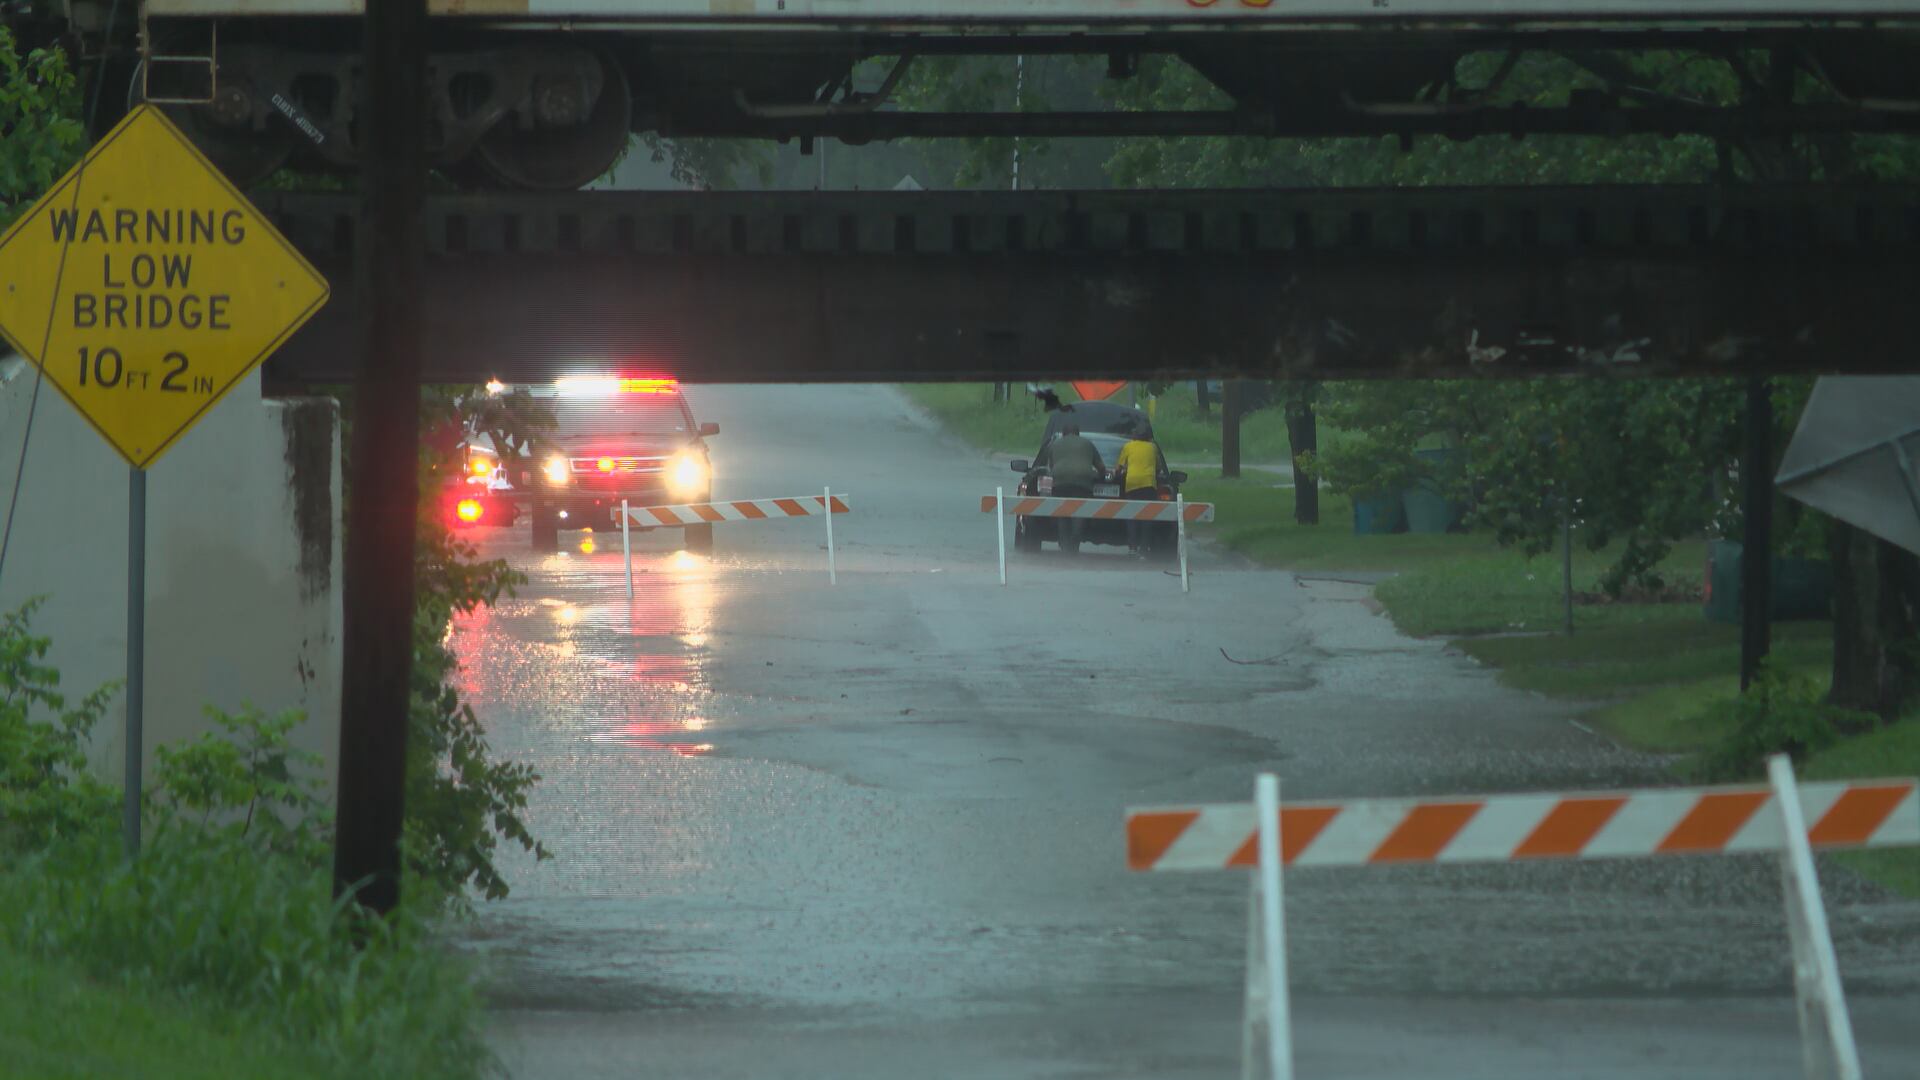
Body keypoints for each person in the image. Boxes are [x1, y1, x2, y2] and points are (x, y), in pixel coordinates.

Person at [1045, 423, 1104, 551]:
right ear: (1078, 433)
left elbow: (1051, 466)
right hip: (1082, 481)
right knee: (1079, 510)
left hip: (1060, 481)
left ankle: (1063, 540)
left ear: (1064, 433)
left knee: (1062, 512)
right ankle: (1075, 538)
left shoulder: (1055, 444)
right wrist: (1101, 477)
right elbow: (1100, 466)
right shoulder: (1087, 444)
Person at [1113, 428, 1161, 555]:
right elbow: (1158, 467)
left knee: (1132, 515)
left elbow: (1119, 467)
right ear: (1148, 437)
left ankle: (1132, 547)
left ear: (1134, 437)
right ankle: (1144, 547)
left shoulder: (1128, 446)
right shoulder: (1152, 447)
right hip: (1148, 483)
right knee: (1147, 516)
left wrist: (1116, 473)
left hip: (1132, 483)